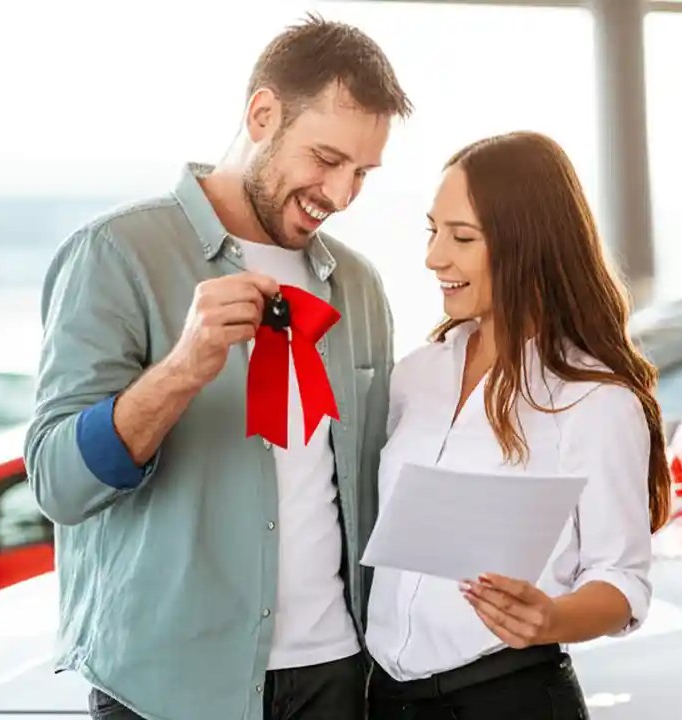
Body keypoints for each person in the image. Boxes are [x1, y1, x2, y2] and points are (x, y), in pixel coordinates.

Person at [24, 15, 410, 720]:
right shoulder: (116, 255)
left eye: (363, 172)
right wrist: (180, 370)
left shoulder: (358, 286)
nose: (342, 193)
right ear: (262, 114)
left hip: (337, 676)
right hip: (171, 685)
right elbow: (58, 483)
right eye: (326, 158)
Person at [365, 131, 671, 719]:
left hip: (508, 697)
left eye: (461, 238)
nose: (434, 257)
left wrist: (552, 618)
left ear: (525, 244)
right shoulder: (414, 377)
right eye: (433, 231)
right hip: (386, 700)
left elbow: (622, 579)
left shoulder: (594, 399)